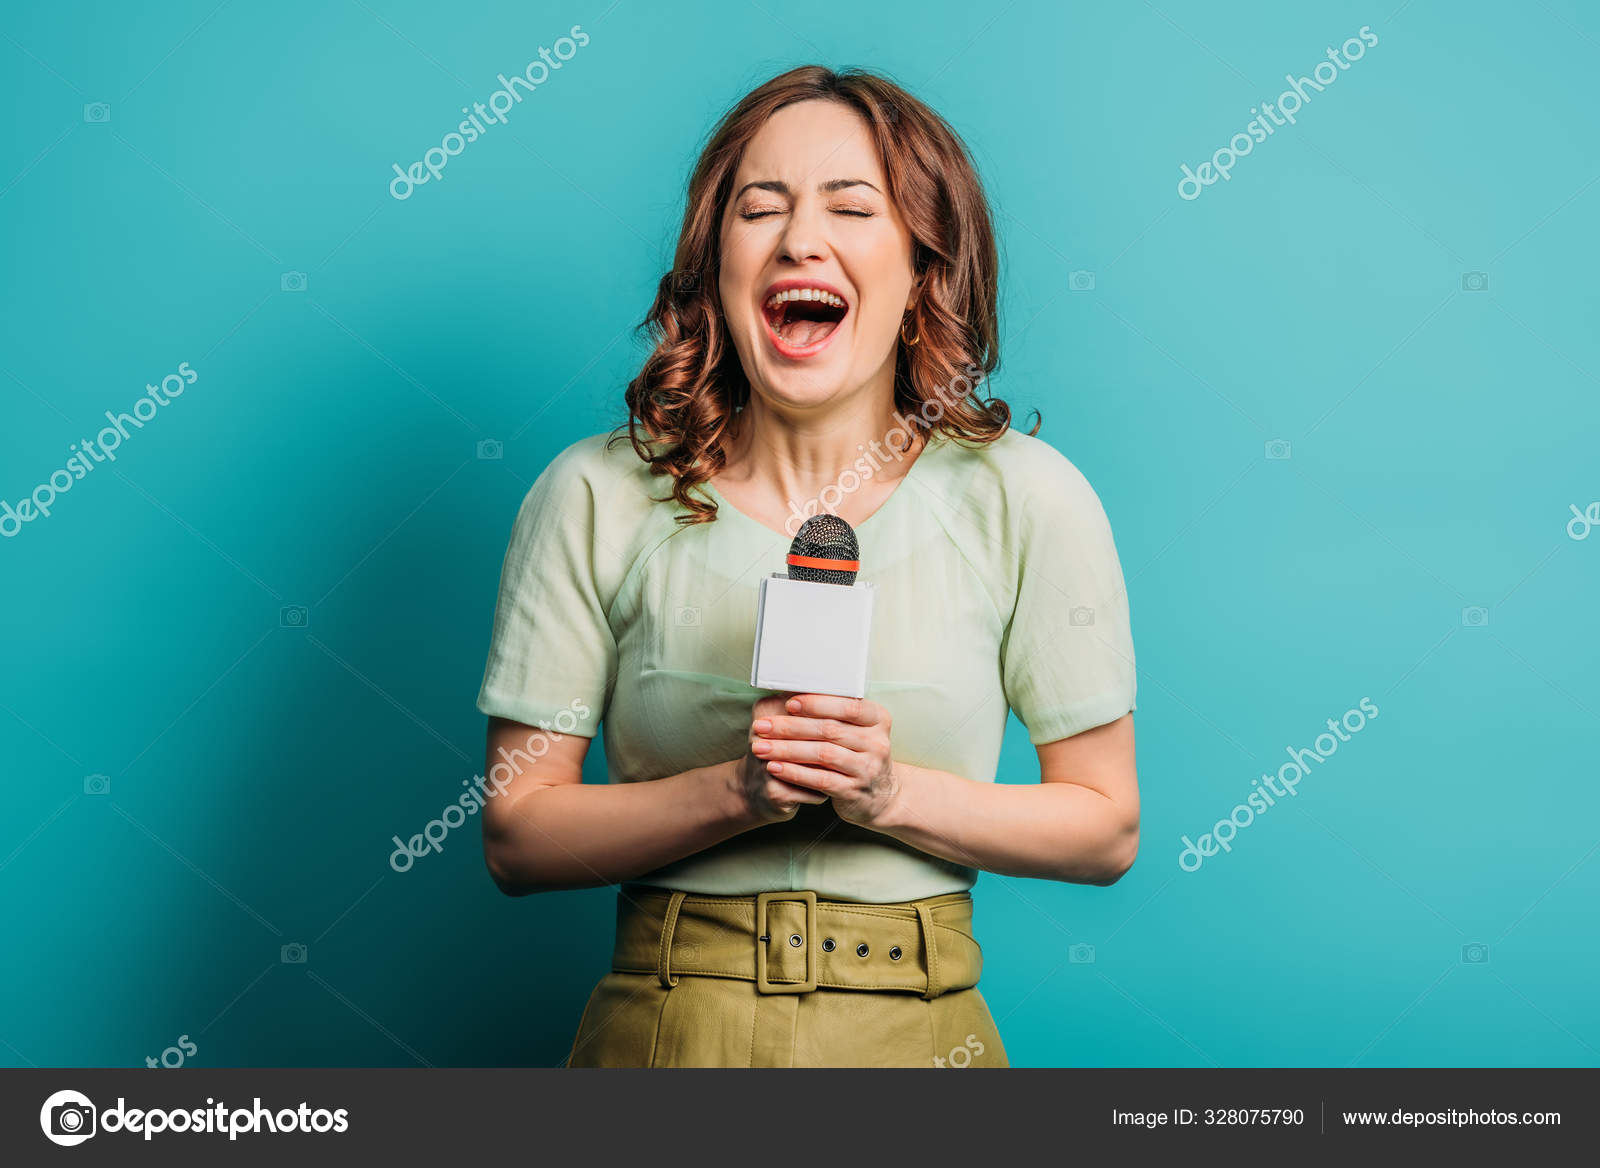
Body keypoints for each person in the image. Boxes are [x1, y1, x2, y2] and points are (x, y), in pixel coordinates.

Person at [475, 65, 1139, 1067]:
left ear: (922, 269)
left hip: (919, 1034)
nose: (798, 238)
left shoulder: (1027, 497)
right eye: (760, 208)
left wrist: (885, 792)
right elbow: (517, 836)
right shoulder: (594, 493)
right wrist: (737, 789)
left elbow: (1104, 828)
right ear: (713, 266)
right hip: (666, 1033)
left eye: (851, 205)